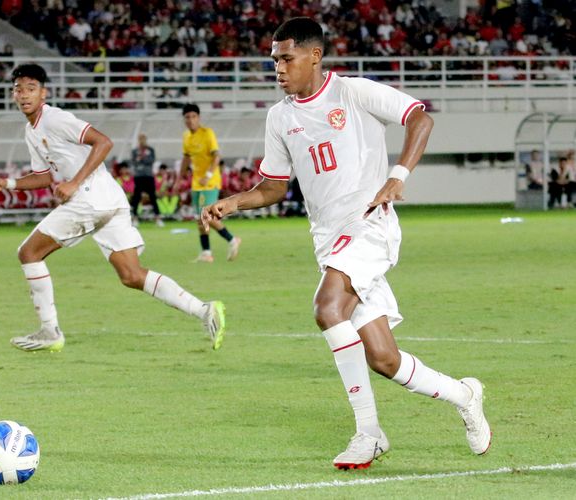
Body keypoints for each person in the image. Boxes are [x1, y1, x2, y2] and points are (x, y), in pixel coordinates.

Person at [202, 17, 491, 470]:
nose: (278, 68)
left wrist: (397, 177)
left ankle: (368, 432)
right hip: (328, 240)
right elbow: (274, 187)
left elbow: (420, 118)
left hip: (369, 226)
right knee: (383, 358)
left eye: (286, 58)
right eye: (274, 60)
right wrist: (232, 203)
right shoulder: (279, 117)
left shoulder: (353, 91)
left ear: (314, 56)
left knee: (327, 308)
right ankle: (465, 395)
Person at [0, 63, 226, 352]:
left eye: (31, 89)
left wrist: (73, 183)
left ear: (43, 93)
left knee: (28, 252)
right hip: (109, 200)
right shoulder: (31, 130)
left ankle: (50, 331)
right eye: (18, 89)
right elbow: (46, 175)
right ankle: (205, 310)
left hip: (89, 199)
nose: (24, 95)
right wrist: (8, 183)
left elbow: (103, 142)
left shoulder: (55, 118)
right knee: (132, 275)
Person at [175, 103, 241, 263]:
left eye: (193, 116)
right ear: (184, 120)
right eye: (187, 117)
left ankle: (232, 239)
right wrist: (179, 178)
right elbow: (186, 158)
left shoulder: (207, 133)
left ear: (198, 118)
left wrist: (209, 174)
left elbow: (216, 156)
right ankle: (206, 252)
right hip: (197, 182)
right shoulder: (186, 136)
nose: (190, 120)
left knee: (206, 216)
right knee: (200, 218)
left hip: (210, 182)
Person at [130, 133, 164, 227]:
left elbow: (151, 161)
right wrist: (140, 159)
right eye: (140, 139)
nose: (142, 140)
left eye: (143, 138)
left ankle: (158, 218)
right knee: (136, 197)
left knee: (153, 197)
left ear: (146, 139)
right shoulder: (135, 151)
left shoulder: (150, 150)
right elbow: (134, 162)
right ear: (138, 140)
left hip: (149, 176)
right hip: (138, 176)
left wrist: (142, 158)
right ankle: (135, 218)